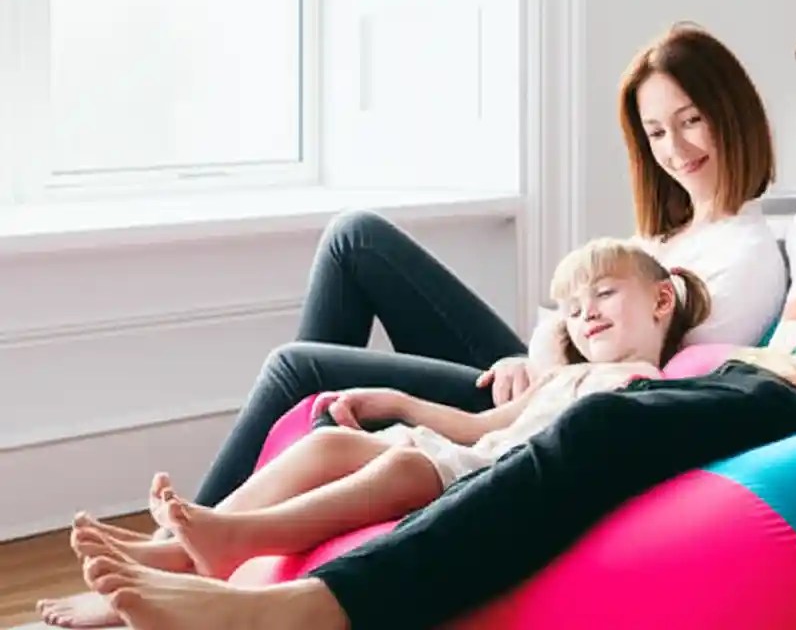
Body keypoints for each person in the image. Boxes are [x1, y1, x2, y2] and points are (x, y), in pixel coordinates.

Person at [72, 1, 796, 629]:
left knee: (594, 425)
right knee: (557, 428)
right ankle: (250, 564)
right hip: (760, 388)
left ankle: (313, 614)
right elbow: (714, 318)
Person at [38, 23, 788, 627]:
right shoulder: (661, 236)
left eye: (693, 120)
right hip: (532, 381)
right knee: (352, 242)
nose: (678, 148)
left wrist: (547, 356)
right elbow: (567, 320)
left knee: (305, 368)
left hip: (568, 399)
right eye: (658, 132)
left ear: (733, 115)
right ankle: (188, 544)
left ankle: (188, 548)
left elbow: (673, 370)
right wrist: (540, 348)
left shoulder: (745, 250)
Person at [81, 240, 710, 583]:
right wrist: (399, 402)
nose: (586, 313)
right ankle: (179, 545)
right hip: (475, 452)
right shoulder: (567, 374)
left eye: (603, 294)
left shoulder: (648, 383)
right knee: (330, 445)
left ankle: (234, 542)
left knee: (402, 469)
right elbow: (482, 426)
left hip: (504, 478)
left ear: (660, 301)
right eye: (573, 309)